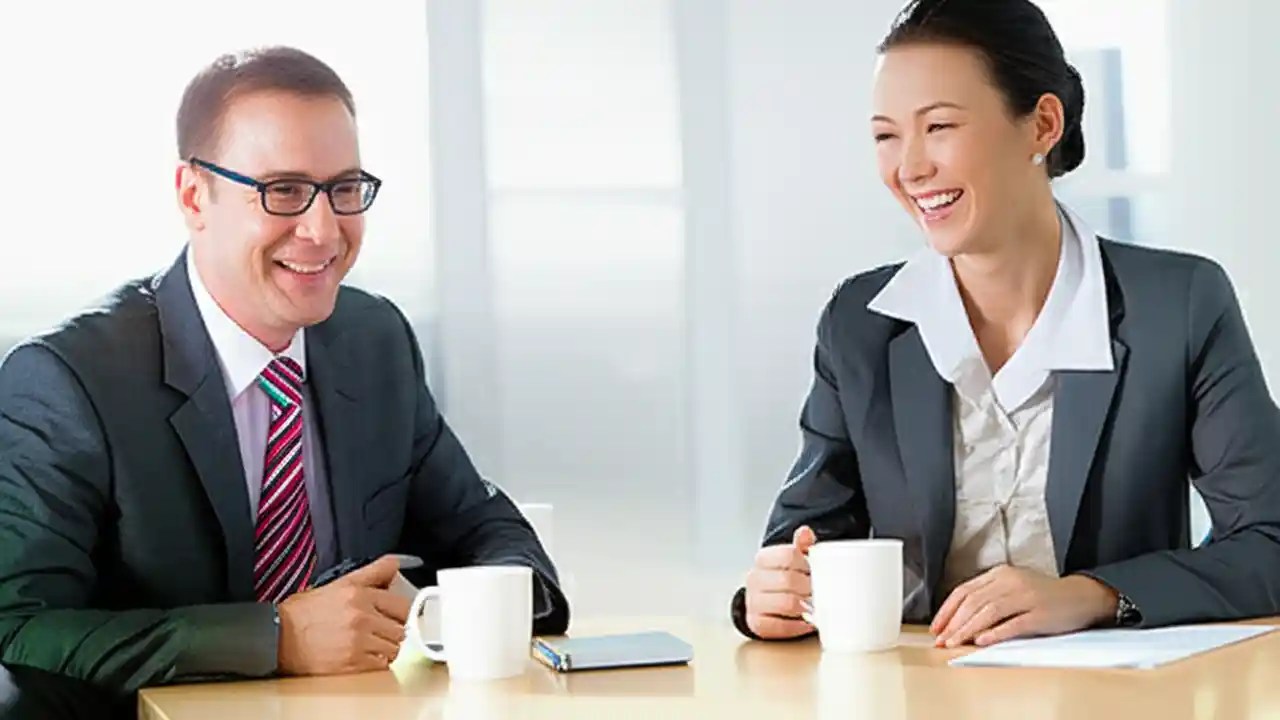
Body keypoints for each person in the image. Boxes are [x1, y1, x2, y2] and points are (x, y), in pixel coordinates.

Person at [0, 46, 569, 702]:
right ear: (194, 196)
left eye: (345, 189)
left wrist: (481, 612)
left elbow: (479, 527)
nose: (324, 229)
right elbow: (20, 628)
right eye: (285, 191)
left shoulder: (372, 340)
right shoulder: (67, 381)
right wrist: (275, 637)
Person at [734, 0, 1280, 648]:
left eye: (939, 126)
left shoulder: (1178, 305)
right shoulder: (861, 323)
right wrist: (769, 597)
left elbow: (1269, 541)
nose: (909, 167)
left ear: (1042, 125)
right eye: (886, 135)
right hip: (915, 696)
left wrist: (1090, 596)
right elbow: (802, 544)